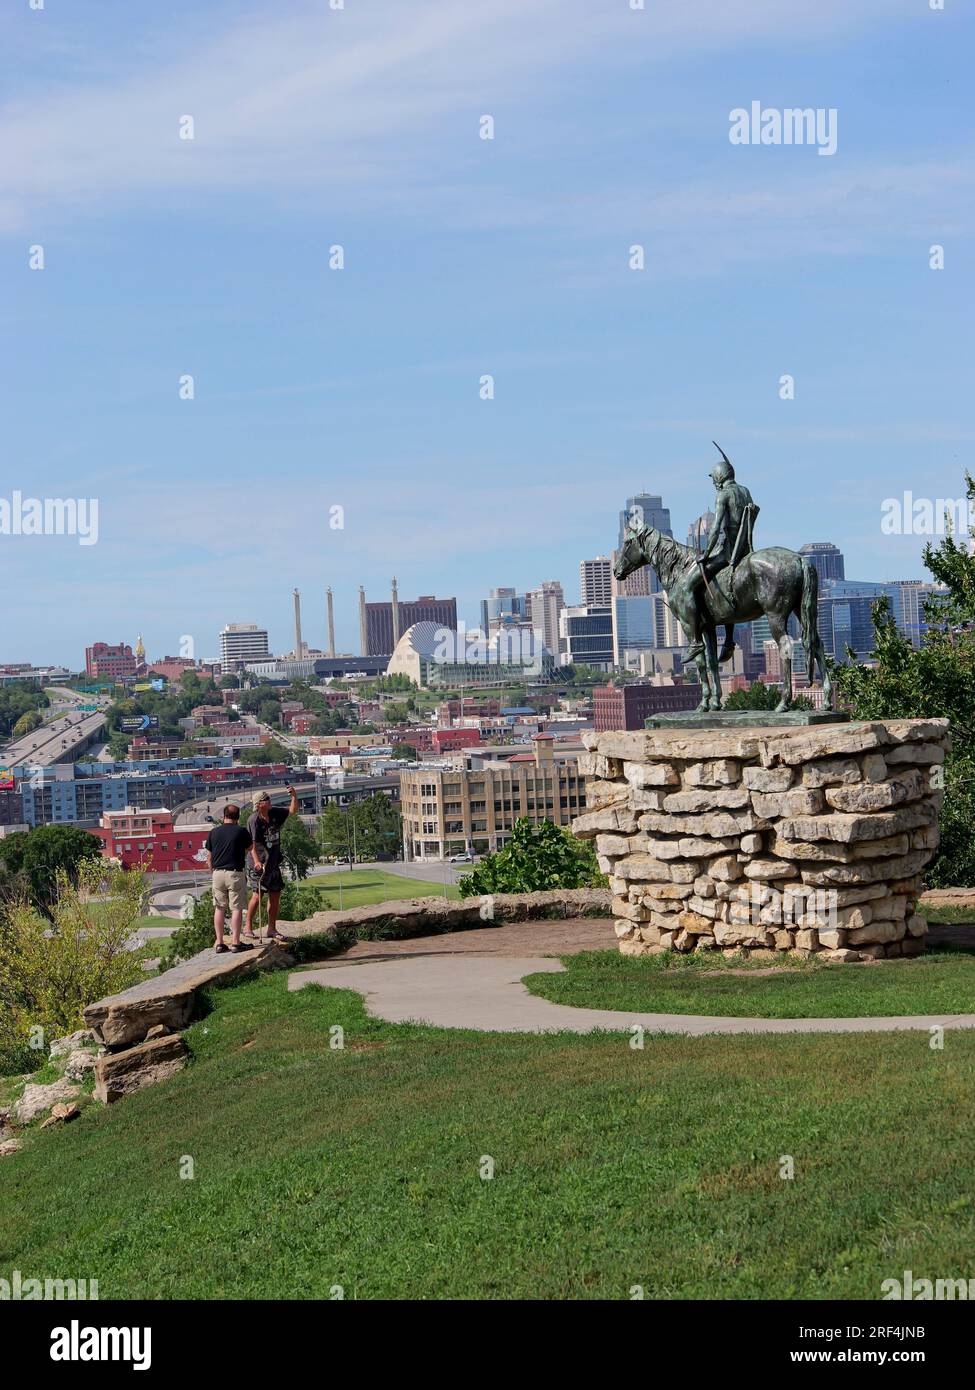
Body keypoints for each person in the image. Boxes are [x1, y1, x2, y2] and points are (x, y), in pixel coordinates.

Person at [684, 445, 759, 665]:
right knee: (725, 587)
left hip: (726, 552)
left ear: (719, 477)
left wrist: (705, 555)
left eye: (713, 479)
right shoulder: (745, 491)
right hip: (745, 549)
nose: (713, 483)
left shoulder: (723, 495)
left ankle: (696, 641)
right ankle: (728, 640)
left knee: (689, 586)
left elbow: (716, 528)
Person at [244, 785, 298, 942]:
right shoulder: (254, 820)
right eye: (266, 799)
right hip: (259, 864)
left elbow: (292, 811)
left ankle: (271, 929)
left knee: (275, 895)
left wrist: (294, 796)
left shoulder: (274, 813)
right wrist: (257, 862)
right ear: (259, 804)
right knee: (257, 895)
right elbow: (251, 845)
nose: (269, 800)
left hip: (273, 862)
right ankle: (247, 927)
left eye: (268, 798)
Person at [205, 804, 253, 954]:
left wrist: (212, 871)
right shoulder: (241, 831)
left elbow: (209, 857)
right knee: (236, 908)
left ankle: (219, 943)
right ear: (238, 817)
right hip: (234, 873)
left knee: (219, 908)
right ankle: (235, 943)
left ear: (223, 816)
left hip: (217, 873)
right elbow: (250, 848)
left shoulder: (213, 832)